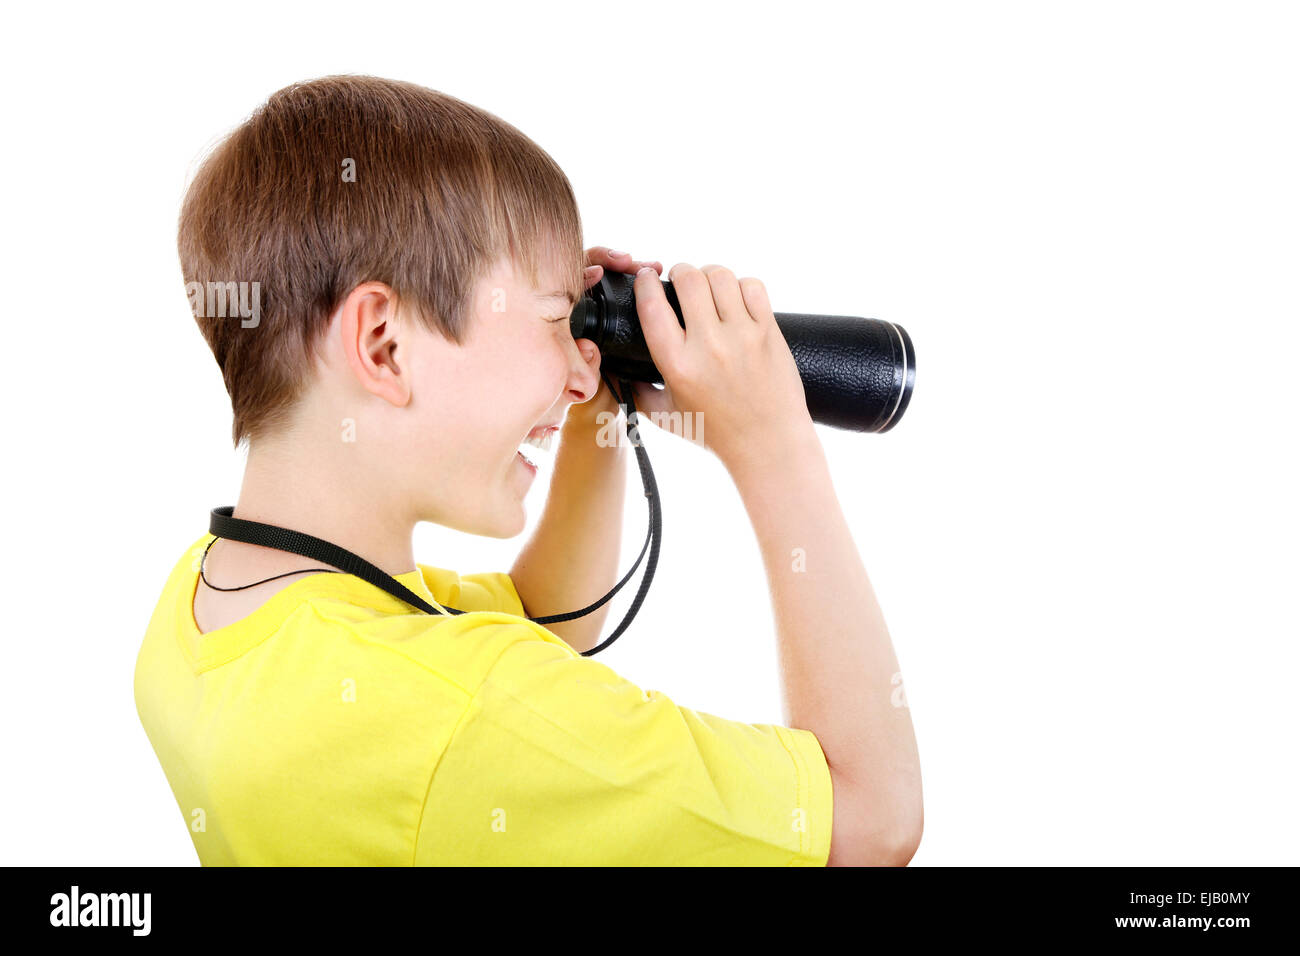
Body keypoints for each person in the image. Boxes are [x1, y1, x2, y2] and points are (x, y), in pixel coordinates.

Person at [133, 74, 922, 865]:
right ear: (382, 345)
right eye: (553, 321)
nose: (577, 371)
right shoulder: (461, 714)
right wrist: (775, 447)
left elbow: (550, 620)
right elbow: (870, 824)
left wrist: (598, 403)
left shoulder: (206, 605)